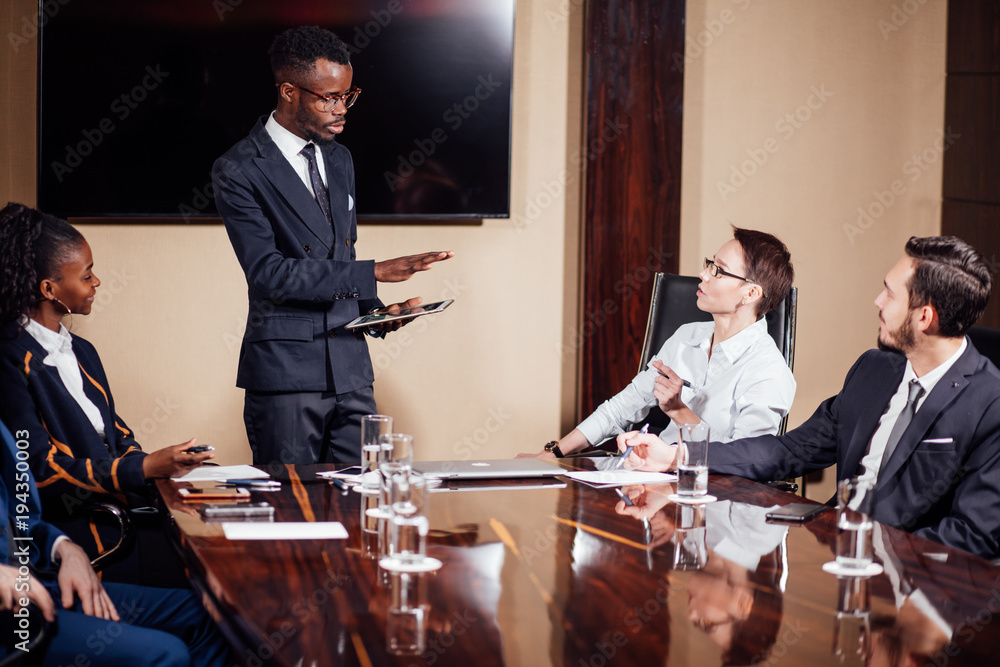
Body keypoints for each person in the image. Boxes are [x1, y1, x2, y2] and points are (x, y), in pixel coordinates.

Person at [619, 236, 1000, 559]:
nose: (877, 301)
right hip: (830, 551)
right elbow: (788, 452)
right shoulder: (873, 371)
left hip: (904, 583)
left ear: (924, 318)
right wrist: (677, 456)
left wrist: (876, 560)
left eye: (889, 293)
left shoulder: (991, 404)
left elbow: (972, 535)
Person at [212, 25, 454, 466]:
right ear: (288, 91)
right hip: (287, 374)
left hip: (351, 369)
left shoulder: (339, 158)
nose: (342, 109)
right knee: (292, 515)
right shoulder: (238, 169)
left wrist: (376, 314)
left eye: (347, 95)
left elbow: (338, 256)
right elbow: (269, 274)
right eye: (328, 98)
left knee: (362, 509)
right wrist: (373, 271)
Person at [0, 202, 210, 585]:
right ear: (49, 288)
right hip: (82, 540)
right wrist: (144, 469)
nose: (96, 283)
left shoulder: (82, 352)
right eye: (87, 274)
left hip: (126, 517)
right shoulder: (10, 360)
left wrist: (167, 465)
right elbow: (42, 475)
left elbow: (118, 436)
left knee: (211, 562)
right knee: (205, 589)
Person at [521, 227, 795, 458]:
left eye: (719, 271)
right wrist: (553, 455)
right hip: (652, 478)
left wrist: (679, 411)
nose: (704, 274)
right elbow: (623, 406)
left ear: (750, 293)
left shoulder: (768, 370)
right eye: (710, 264)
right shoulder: (687, 336)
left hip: (714, 501)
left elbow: (745, 461)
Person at [0, 419, 231, 666]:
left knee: (216, 617)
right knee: (168, 653)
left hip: (43, 579)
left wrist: (64, 547)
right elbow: (44, 474)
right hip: (14, 609)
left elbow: (21, 514)